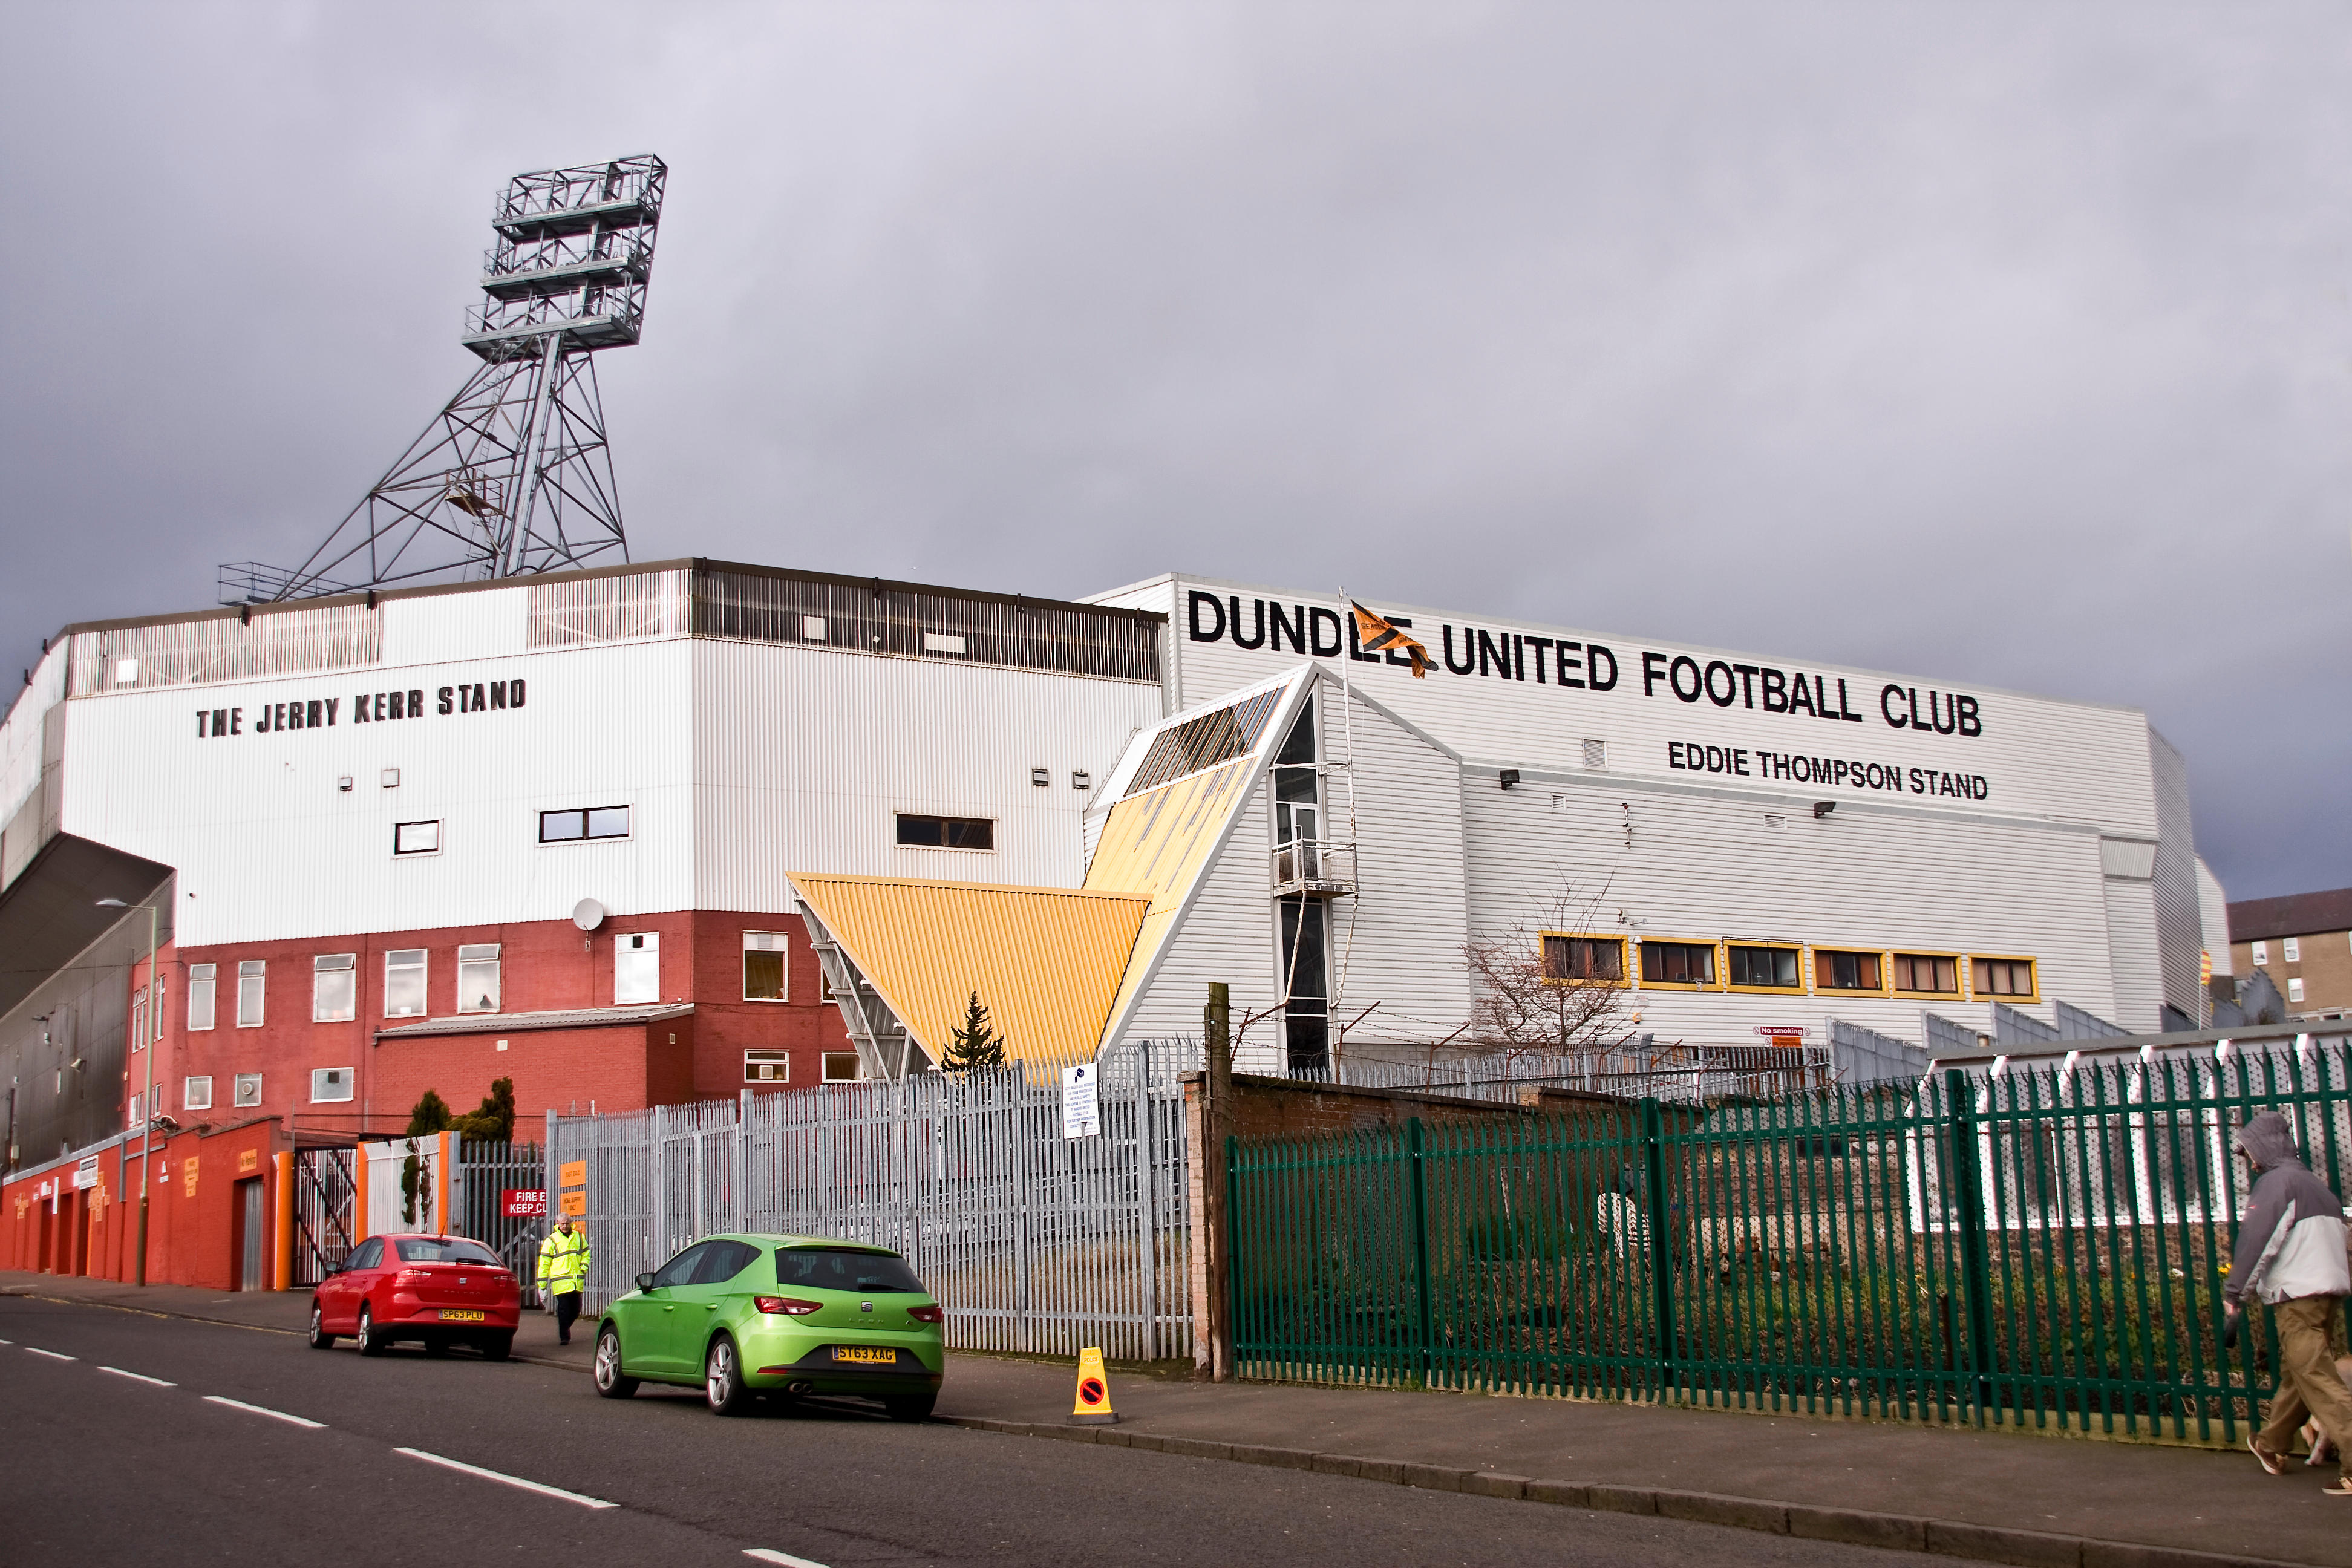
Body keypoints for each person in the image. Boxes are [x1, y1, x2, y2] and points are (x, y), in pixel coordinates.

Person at [2225, 1109, 2352, 1495]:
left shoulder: (2275, 1185)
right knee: (2300, 1372)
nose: (2248, 1162)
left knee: (2315, 1375)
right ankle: (2272, 1444)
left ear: (2260, 1148)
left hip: (2297, 1295)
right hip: (2327, 1293)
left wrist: (2235, 1295)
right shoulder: (2315, 1185)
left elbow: (2257, 1242)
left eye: (2247, 1153)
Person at [536, 1217, 592, 1347]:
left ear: (571, 1223)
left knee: (576, 1310)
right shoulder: (551, 1240)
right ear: (557, 1224)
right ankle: (564, 1336)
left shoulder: (579, 1237)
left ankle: (565, 1328)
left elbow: (586, 1253)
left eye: (567, 1223)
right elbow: (544, 1264)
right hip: (560, 1283)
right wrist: (542, 1285)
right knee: (564, 1311)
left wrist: (583, 1268)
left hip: (575, 1282)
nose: (565, 1226)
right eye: (562, 1224)